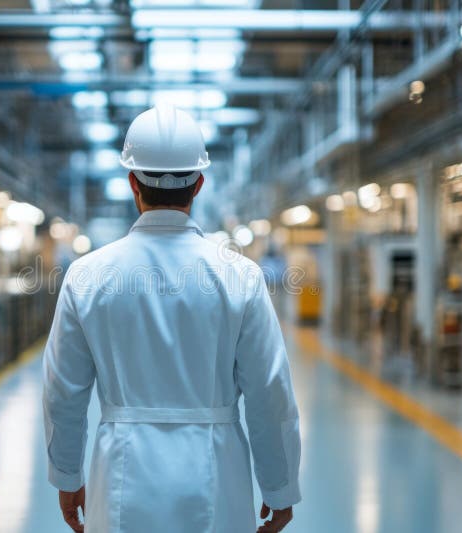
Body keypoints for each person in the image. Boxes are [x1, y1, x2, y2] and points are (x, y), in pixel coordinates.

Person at [42, 104, 301, 533]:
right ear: (198, 185)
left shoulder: (87, 277)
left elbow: (62, 392)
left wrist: (67, 478)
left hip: (122, 476)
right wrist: (280, 488)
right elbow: (269, 393)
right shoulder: (240, 276)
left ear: (132, 184)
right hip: (218, 478)